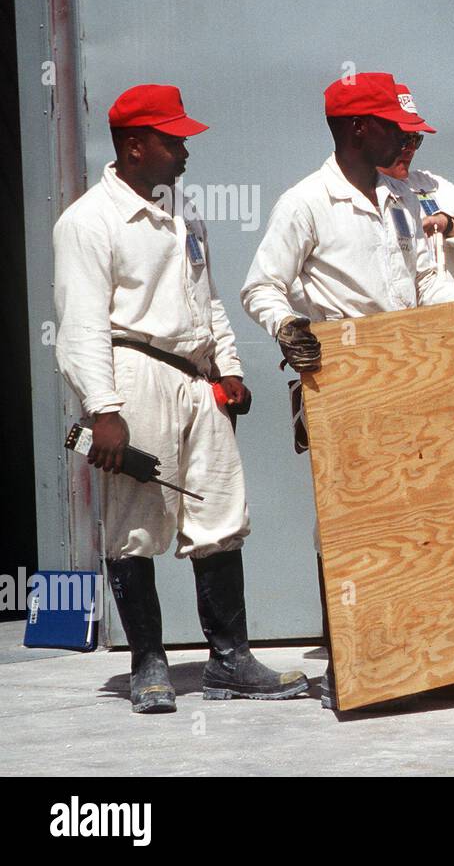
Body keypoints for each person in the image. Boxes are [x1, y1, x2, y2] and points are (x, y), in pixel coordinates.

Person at [53, 83, 308, 713]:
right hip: (134, 374)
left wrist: (229, 365)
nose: (185, 150)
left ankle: (230, 658)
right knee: (136, 526)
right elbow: (82, 323)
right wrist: (103, 410)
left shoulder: (181, 211)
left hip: (197, 378)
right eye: (174, 140)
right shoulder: (89, 221)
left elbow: (209, 296)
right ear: (135, 145)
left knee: (220, 515)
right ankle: (147, 664)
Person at [241, 71, 454, 709]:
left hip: (410, 379)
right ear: (358, 128)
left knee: (421, 522)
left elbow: (429, 285)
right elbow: (261, 285)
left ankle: (431, 661)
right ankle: (354, 668)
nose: (410, 138)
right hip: (344, 383)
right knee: (353, 529)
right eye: (397, 127)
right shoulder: (307, 203)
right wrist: (289, 326)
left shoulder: (404, 200)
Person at [378, 84, 454, 288]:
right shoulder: (350, 193)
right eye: (404, 140)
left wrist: (446, 223)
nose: (411, 149)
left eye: (416, 139)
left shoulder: (427, 185)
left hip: (443, 313)